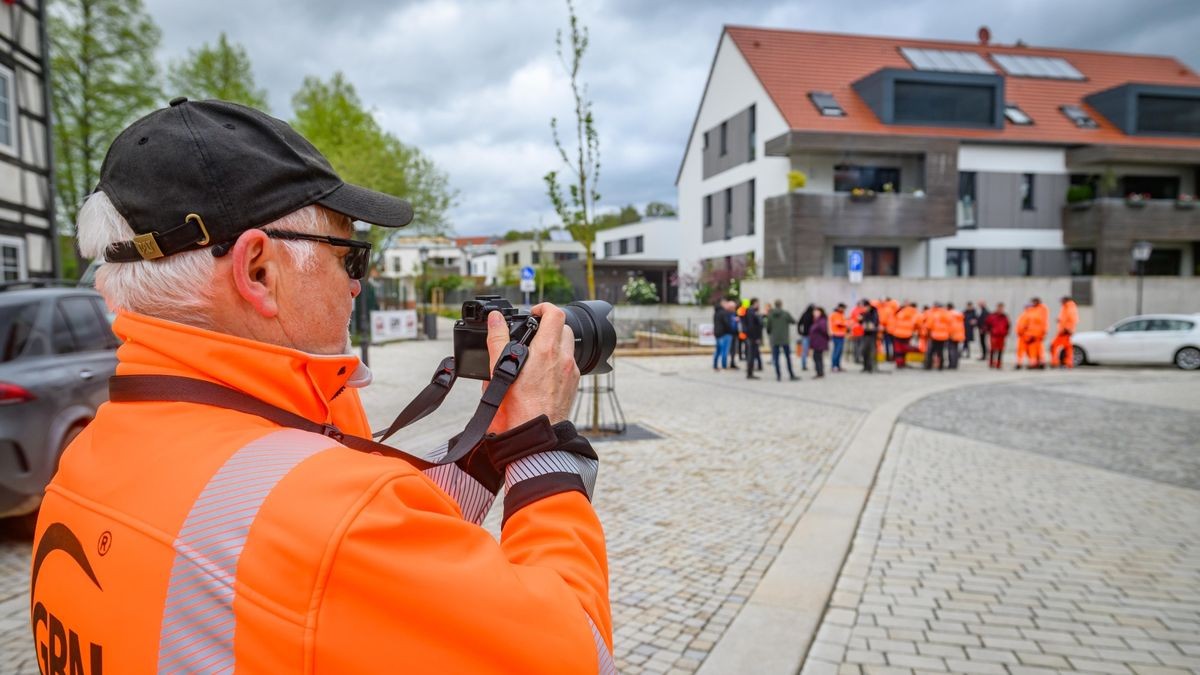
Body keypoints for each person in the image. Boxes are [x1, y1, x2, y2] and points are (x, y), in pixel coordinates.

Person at [33, 100, 614, 673]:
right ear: (258, 270)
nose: (357, 286)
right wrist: (539, 443)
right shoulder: (331, 521)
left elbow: (386, 560)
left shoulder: (81, 464)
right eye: (351, 257)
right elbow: (576, 657)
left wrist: (489, 448)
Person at [765, 298, 799, 381]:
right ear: (781, 305)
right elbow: (793, 321)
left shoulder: (770, 315)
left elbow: (768, 327)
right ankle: (791, 374)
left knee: (776, 358)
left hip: (775, 339)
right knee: (788, 358)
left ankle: (778, 375)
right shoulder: (785, 314)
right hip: (784, 339)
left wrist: (771, 333)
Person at [1050, 296, 1079, 368]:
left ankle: (1058, 362)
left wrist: (1068, 329)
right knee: (1067, 347)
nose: (1061, 302)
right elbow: (1065, 318)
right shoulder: (1065, 307)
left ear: (1065, 300)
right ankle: (1067, 363)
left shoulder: (1070, 307)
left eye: (1062, 300)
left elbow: (1073, 319)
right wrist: (1059, 320)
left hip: (1065, 331)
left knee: (1054, 345)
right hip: (1063, 331)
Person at [889, 301, 917, 368]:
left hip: (897, 333)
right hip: (908, 334)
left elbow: (892, 320)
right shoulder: (913, 312)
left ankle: (899, 363)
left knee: (898, 349)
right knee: (904, 349)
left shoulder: (899, 312)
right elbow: (917, 322)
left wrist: (892, 330)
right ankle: (903, 362)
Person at [984, 302, 1011, 369]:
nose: (1000, 309)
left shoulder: (1005, 316)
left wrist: (1006, 332)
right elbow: (987, 324)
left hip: (1001, 336)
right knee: (993, 349)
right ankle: (991, 362)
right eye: (999, 308)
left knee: (1000, 350)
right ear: (997, 308)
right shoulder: (992, 316)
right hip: (994, 335)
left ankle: (998, 363)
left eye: (1001, 308)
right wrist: (989, 331)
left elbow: (1008, 325)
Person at [925, 302, 950, 370]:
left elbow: (929, 325)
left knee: (931, 351)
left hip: (935, 336)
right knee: (940, 351)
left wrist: (927, 332)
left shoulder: (934, 314)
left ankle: (928, 365)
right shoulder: (946, 314)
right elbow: (950, 325)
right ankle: (940, 366)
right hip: (944, 336)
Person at [743, 298, 764, 379]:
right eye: (757, 303)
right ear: (754, 303)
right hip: (752, 337)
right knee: (751, 355)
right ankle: (750, 373)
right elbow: (752, 326)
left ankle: (750, 372)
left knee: (752, 354)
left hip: (751, 336)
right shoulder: (751, 312)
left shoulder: (751, 312)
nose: (759, 305)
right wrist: (756, 337)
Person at [859, 299, 880, 373]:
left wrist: (868, 325)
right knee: (864, 351)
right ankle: (866, 366)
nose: (863, 308)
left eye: (864, 307)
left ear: (868, 306)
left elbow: (874, 323)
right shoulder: (864, 313)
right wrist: (861, 321)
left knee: (871, 352)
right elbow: (862, 322)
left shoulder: (874, 313)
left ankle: (872, 367)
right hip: (865, 334)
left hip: (872, 335)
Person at [712, 298, 733, 371]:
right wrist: (731, 330)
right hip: (724, 333)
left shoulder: (716, 312)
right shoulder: (724, 312)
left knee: (718, 351)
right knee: (724, 351)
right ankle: (724, 365)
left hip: (718, 333)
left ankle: (715, 365)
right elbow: (727, 323)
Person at [809, 306, 829, 378]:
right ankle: (819, 372)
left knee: (817, 357)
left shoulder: (822, 321)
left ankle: (820, 372)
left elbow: (824, 331)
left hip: (819, 342)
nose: (814, 313)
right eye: (814, 312)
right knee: (817, 357)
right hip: (816, 342)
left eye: (816, 312)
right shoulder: (816, 320)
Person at [829, 303, 848, 372]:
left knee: (839, 352)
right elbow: (838, 323)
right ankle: (834, 366)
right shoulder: (834, 314)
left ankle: (838, 365)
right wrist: (846, 324)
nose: (844, 310)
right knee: (836, 351)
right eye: (843, 308)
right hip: (836, 335)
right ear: (839, 308)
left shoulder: (841, 314)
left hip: (841, 335)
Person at [796, 304, 815, 371]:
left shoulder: (804, 314)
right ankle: (816, 364)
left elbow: (799, 323)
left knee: (804, 351)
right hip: (812, 336)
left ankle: (804, 365)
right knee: (814, 351)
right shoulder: (813, 315)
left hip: (805, 335)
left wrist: (799, 331)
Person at [947, 302, 965, 370]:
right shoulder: (959, 314)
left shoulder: (948, 314)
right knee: (956, 349)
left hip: (952, 334)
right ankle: (955, 364)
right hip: (960, 334)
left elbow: (949, 326)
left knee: (951, 350)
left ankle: (952, 364)